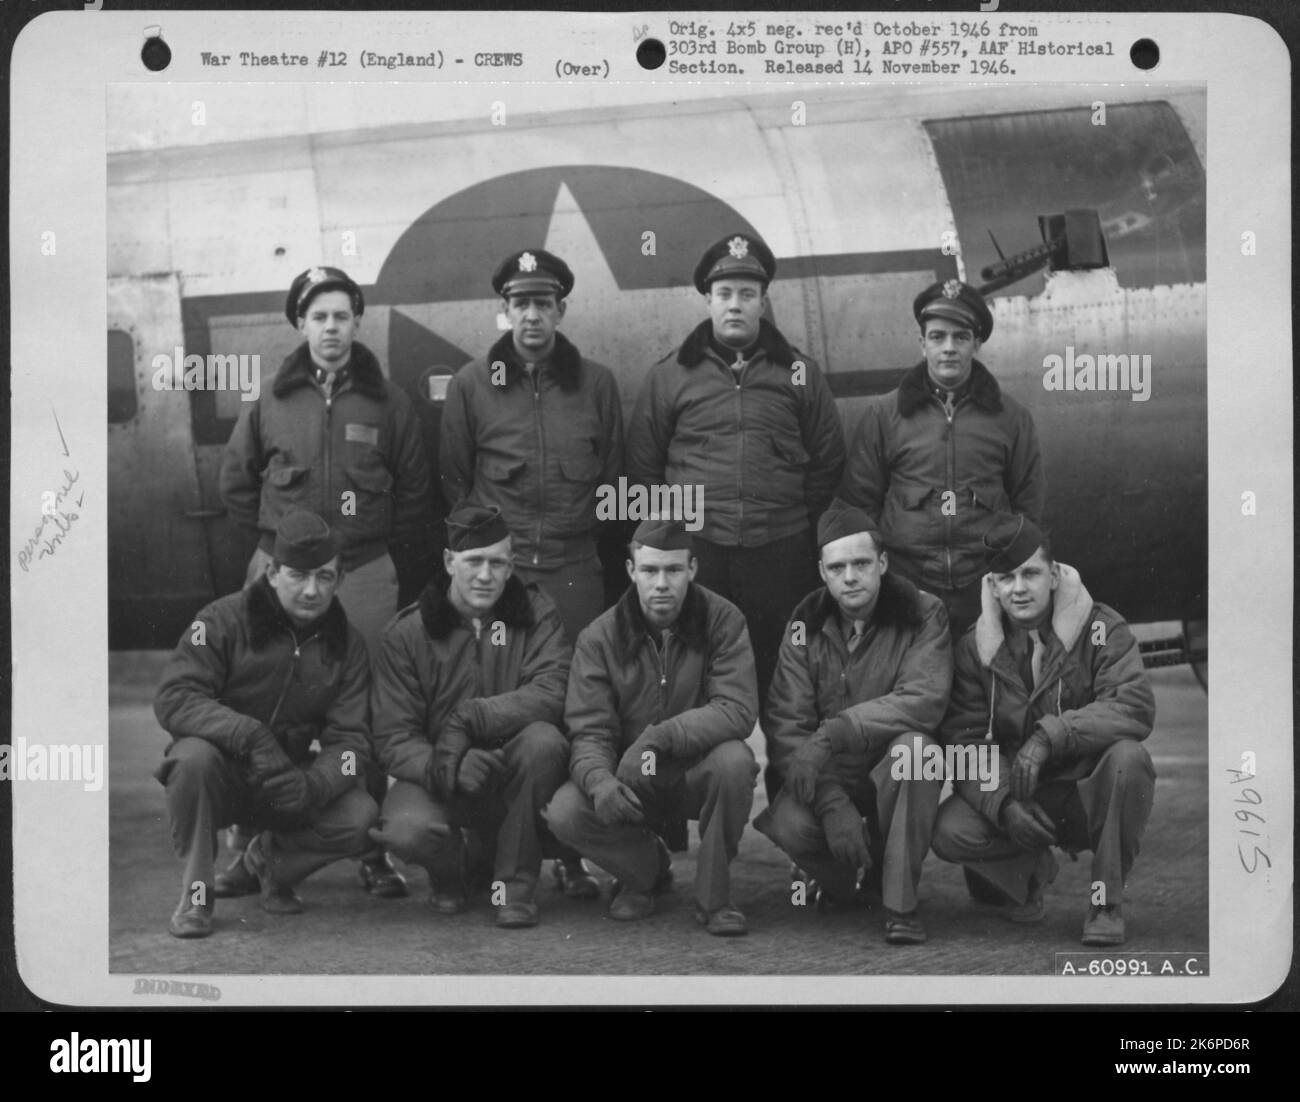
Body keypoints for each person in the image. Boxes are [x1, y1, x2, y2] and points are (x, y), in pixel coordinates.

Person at [219, 264, 434, 897]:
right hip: (278, 576)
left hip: (364, 572)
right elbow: (237, 484)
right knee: (265, 704)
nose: (331, 327)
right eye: (319, 316)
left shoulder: (389, 403)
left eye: (342, 315)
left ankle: (371, 856)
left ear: (357, 322)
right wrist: (275, 549)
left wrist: (366, 555)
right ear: (299, 324)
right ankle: (250, 850)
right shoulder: (271, 402)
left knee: (361, 713)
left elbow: (417, 495)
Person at [626, 231, 844, 803]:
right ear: (706, 299)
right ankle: (667, 832)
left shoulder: (799, 373)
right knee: (684, 691)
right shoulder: (669, 375)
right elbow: (644, 470)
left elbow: (827, 463)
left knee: (789, 692)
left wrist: (795, 529)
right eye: (724, 292)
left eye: (747, 293)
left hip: (780, 556)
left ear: (763, 299)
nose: (735, 304)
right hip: (702, 558)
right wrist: (678, 543)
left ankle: (798, 826)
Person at [931, 515, 1156, 947]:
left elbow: (1133, 706)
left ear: (1053, 576)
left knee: (1130, 760)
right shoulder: (973, 649)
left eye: (1031, 573)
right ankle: (1030, 873)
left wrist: (1050, 735)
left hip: (1090, 788)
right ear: (992, 586)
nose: (1019, 588)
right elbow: (964, 742)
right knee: (950, 829)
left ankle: (1105, 902)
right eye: (1006, 578)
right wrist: (1003, 804)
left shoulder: (1102, 628)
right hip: (1026, 793)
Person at [153, 509, 377, 938]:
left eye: (325, 578)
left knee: (361, 814)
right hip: (223, 774)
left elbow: (352, 748)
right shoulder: (217, 621)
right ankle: (197, 894)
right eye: (298, 575)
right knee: (190, 759)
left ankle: (269, 864)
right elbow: (174, 697)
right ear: (272, 572)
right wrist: (249, 735)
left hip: (286, 783)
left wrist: (316, 785)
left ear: (339, 579)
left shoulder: (349, 646)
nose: (312, 590)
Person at [367, 504, 590, 927]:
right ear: (450, 562)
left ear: (511, 567)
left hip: (515, 774)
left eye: (498, 563)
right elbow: (394, 737)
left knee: (544, 741)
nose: (486, 576)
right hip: (441, 777)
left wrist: (473, 717)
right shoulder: (408, 632)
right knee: (405, 829)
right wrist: (448, 765)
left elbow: (553, 690)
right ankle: (451, 877)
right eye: (474, 562)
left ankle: (515, 888)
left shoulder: (537, 615)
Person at [545, 518, 760, 936]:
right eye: (649, 571)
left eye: (673, 570)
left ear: (693, 570)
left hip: (693, 770)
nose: (661, 583)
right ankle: (642, 874)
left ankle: (715, 898)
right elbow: (590, 730)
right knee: (565, 810)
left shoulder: (724, 620)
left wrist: (659, 738)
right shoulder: (599, 637)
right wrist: (599, 782)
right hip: (630, 779)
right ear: (631, 572)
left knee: (736, 761)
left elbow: (736, 708)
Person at [755, 503, 952, 944]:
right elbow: (788, 725)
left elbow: (923, 700)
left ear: (882, 563)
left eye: (861, 563)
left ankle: (900, 905)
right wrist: (830, 803)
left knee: (919, 752)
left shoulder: (924, 613)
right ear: (822, 573)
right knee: (789, 822)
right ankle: (842, 881)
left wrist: (836, 731)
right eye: (837, 567)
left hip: (890, 767)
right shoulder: (804, 625)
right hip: (833, 774)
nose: (850, 577)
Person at [837, 279, 1044, 637]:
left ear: (976, 344)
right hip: (907, 589)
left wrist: (1007, 579)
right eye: (937, 337)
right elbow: (858, 508)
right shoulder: (884, 416)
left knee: (983, 690)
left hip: (982, 589)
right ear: (922, 344)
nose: (948, 348)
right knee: (913, 690)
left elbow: (1029, 509)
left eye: (960, 337)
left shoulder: (1012, 419)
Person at [439, 248, 624, 643]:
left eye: (543, 303)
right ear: (505, 309)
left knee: (578, 680)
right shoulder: (471, 385)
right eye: (521, 303)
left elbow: (611, 478)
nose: (532, 315)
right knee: (500, 676)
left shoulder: (597, 384)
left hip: (573, 569)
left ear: (561, 309)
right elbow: (455, 483)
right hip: (502, 568)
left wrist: (579, 539)